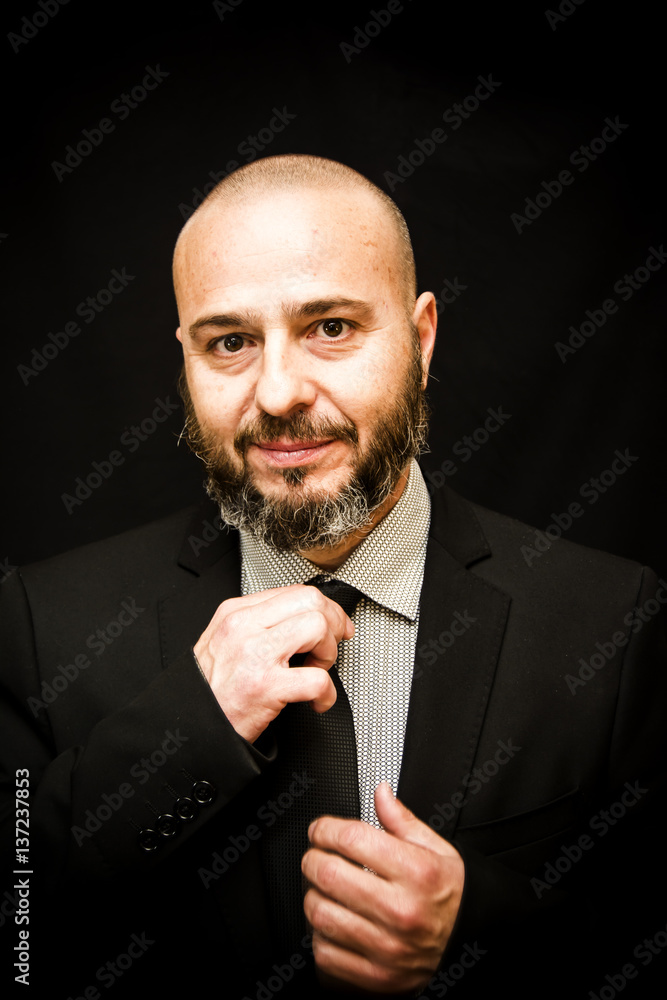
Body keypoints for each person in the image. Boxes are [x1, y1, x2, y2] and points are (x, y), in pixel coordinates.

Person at [1, 154, 665, 999]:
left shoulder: (613, 622)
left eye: (331, 328)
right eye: (230, 342)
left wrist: (480, 927)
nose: (278, 392)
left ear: (421, 340)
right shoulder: (40, 622)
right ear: (185, 357)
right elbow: (18, 941)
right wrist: (188, 726)